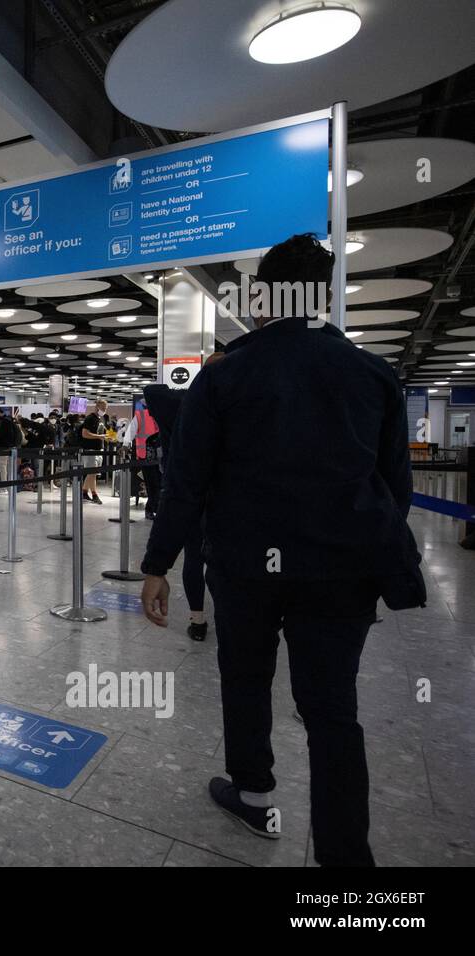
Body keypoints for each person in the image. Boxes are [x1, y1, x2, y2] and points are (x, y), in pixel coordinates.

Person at [139, 233, 422, 868]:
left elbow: (188, 483)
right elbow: (395, 489)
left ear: (261, 297)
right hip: (342, 571)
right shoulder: (374, 375)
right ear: (324, 298)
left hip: (245, 566)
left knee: (245, 679)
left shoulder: (227, 375)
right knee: (332, 712)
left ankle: (254, 793)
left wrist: (158, 564)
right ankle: (348, 870)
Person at [142, 356, 221, 642]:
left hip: (190, 496)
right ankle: (225, 618)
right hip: (226, 502)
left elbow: (152, 390)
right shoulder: (240, 406)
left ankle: (197, 620)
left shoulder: (183, 407)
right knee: (220, 562)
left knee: (194, 557)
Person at [79, 399, 108, 504]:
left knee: (93, 473)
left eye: (105, 408)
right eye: (103, 408)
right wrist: (100, 436)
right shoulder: (90, 418)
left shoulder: (100, 419)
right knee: (92, 472)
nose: (104, 410)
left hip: (98, 449)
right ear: (97, 407)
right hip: (90, 450)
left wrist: (105, 437)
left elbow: (101, 433)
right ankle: (94, 494)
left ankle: (84, 492)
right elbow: (84, 434)